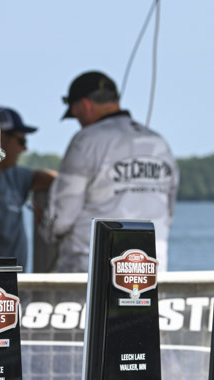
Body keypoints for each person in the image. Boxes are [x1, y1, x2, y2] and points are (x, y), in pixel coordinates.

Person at [40, 71, 178, 273]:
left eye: (75, 114)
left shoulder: (85, 141)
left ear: (85, 106)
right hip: (147, 271)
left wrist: (43, 223)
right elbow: (169, 212)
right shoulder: (160, 143)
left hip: (91, 271)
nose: (78, 121)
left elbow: (60, 220)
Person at [0, 107, 55, 267]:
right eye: (21, 141)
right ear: (1, 138)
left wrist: (78, 184)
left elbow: (42, 177)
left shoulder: (16, 176)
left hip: (12, 286)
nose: (24, 149)